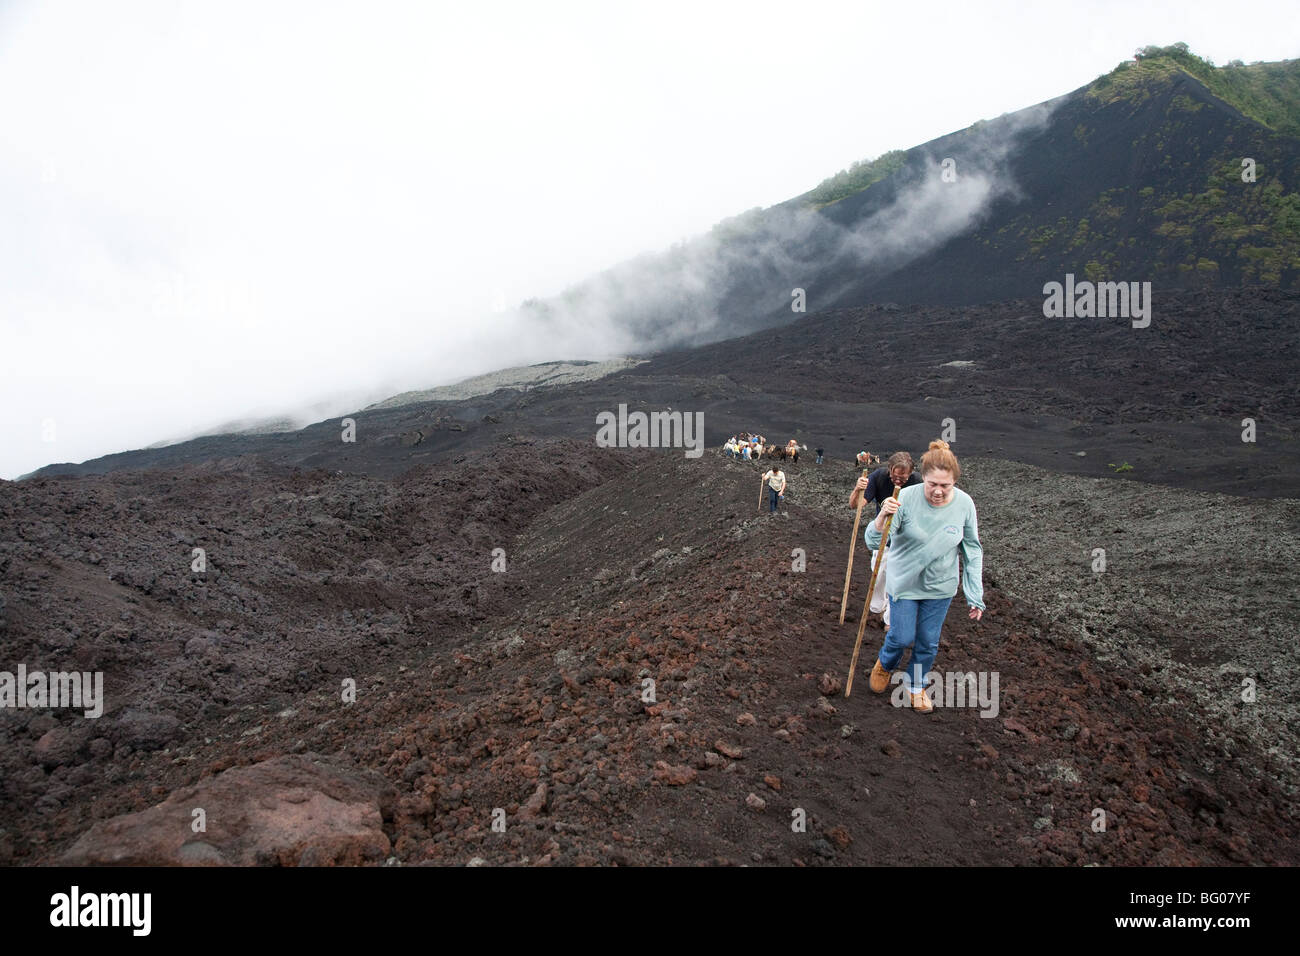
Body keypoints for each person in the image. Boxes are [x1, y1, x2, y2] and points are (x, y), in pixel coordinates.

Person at [863, 440, 984, 713]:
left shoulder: (965, 504)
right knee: (902, 635)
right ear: (923, 478)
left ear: (954, 481)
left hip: (940, 586)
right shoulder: (905, 498)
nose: (938, 491)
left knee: (928, 641)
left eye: (946, 486)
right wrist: (882, 516)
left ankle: (916, 687)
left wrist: (975, 595)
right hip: (904, 581)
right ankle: (885, 663)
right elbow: (875, 542)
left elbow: (972, 550)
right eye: (933, 484)